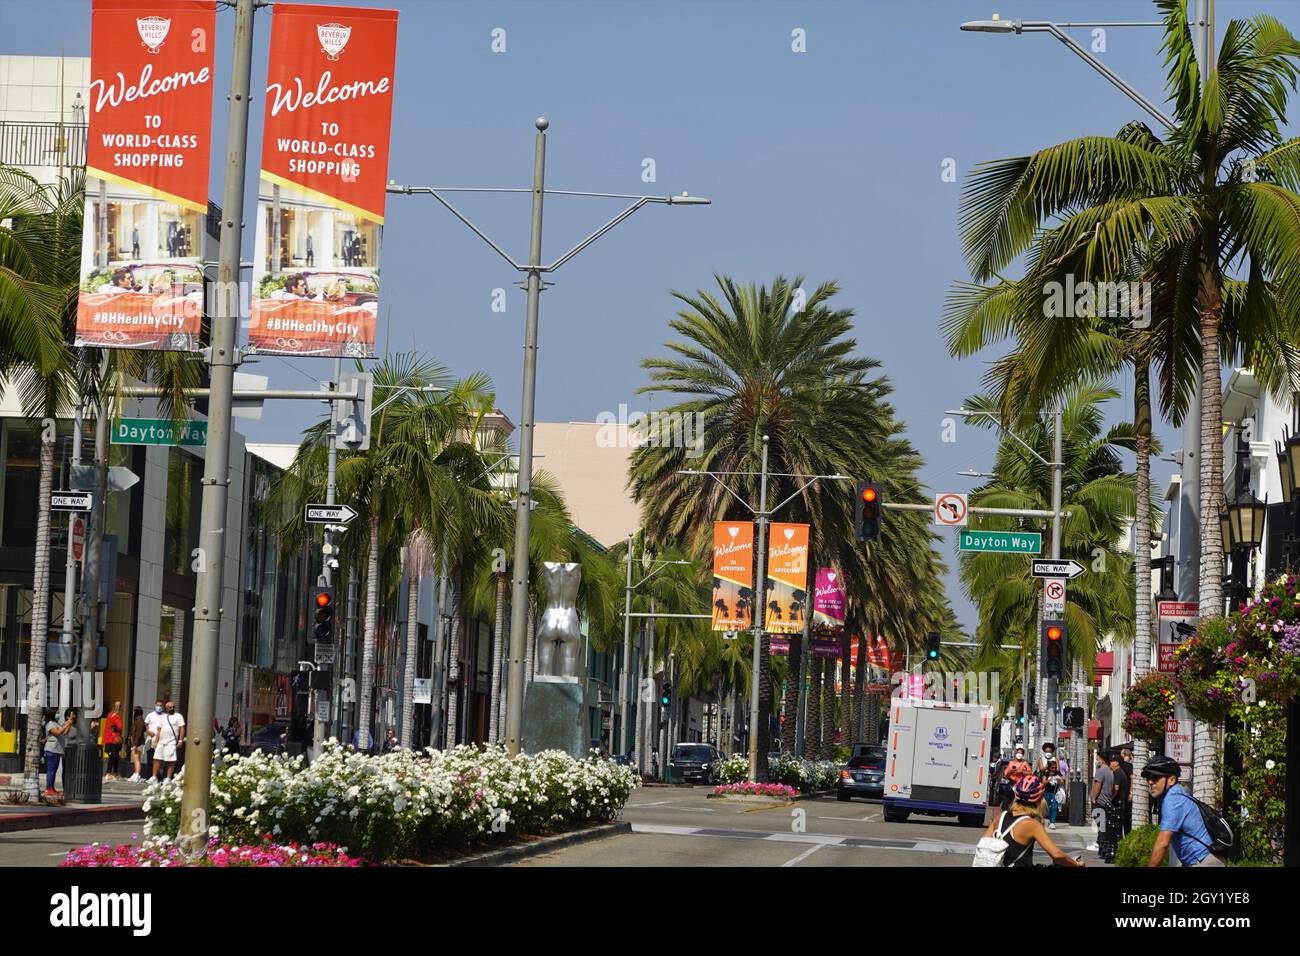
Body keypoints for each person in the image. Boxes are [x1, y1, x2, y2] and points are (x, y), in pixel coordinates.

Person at [980, 776, 1086, 868]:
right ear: (1040, 799)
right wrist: (1076, 864)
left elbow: (983, 844)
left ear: (1016, 796)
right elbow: (1057, 855)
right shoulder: (1032, 824)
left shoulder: (1000, 817)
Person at [1141, 755, 1224, 867]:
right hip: (1203, 860)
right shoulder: (1177, 794)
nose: (1150, 782)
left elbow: (1162, 844)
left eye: (1155, 777)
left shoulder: (1173, 800)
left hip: (1204, 861)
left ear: (1171, 780)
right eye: (1148, 778)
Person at [1090, 748, 1119, 863]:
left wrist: (1093, 798)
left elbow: (1098, 785)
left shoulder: (1101, 771)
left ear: (1101, 759)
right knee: (1104, 826)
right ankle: (1103, 847)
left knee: (1101, 827)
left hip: (1100, 802)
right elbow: (1114, 788)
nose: (1097, 760)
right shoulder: (1111, 771)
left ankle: (1102, 848)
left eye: (1098, 758)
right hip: (1107, 802)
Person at [42, 707, 76, 796]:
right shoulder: (49, 724)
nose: (58, 714)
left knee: (54, 769)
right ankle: (48, 789)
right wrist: (67, 723)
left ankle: (52, 788)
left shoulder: (55, 723)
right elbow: (58, 733)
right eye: (56, 712)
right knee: (51, 770)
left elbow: (65, 733)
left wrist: (69, 723)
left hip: (57, 750)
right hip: (51, 749)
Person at [151, 700, 185, 782]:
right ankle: (154, 777)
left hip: (171, 742)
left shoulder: (178, 716)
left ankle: (168, 778)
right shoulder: (163, 717)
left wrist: (180, 740)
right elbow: (159, 730)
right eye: (170, 707)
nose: (172, 708)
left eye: (173, 707)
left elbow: (182, 728)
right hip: (161, 742)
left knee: (171, 760)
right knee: (156, 758)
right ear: (166, 708)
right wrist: (156, 742)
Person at [1108, 749, 1131, 841]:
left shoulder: (1117, 772)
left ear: (1117, 763)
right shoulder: (1120, 771)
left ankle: (1118, 842)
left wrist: (1111, 798)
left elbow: (1116, 788)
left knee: (1117, 825)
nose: (1110, 763)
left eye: (1112, 761)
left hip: (1118, 801)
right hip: (1121, 801)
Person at [1000, 746, 1032, 811]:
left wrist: (1022, 772)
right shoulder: (1011, 763)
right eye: (1018, 752)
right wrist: (1010, 772)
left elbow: (1030, 773)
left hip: (1021, 784)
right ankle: (1007, 809)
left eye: (1021, 753)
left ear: (1023, 755)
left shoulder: (1024, 763)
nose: (1019, 754)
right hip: (1011, 783)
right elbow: (1006, 775)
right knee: (1009, 797)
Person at [101, 701, 124, 781]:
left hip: (108, 739)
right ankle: (111, 773)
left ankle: (110, 773)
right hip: (114, 739)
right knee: (114, 756)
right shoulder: (116, 716)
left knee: (112, 756)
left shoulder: (109, 714)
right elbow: (120, 726)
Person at [1043, 759, 1064, 830]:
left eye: (1055, 767)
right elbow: (1043, 783)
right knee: (1048, 807)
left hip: (1055, 793)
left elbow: (1062, 782)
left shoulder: (1057, 773)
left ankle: (1053, 822)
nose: (1054, 769)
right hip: (1047, 793)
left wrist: (1059, 780)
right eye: (1052, 768)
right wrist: (1049, 780)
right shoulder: (1046, 773)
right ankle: (1049, 819)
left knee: (1054, 807)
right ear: (1049, 767)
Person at [128, 706, 146, 782]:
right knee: (135, 759)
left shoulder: (140, 721)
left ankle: (137, 774)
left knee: (137, 759)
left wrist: (135, 744)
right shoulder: (138, 721)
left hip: (138, 743)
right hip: (136, 743)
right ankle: (135, 773)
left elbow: (138, 734)